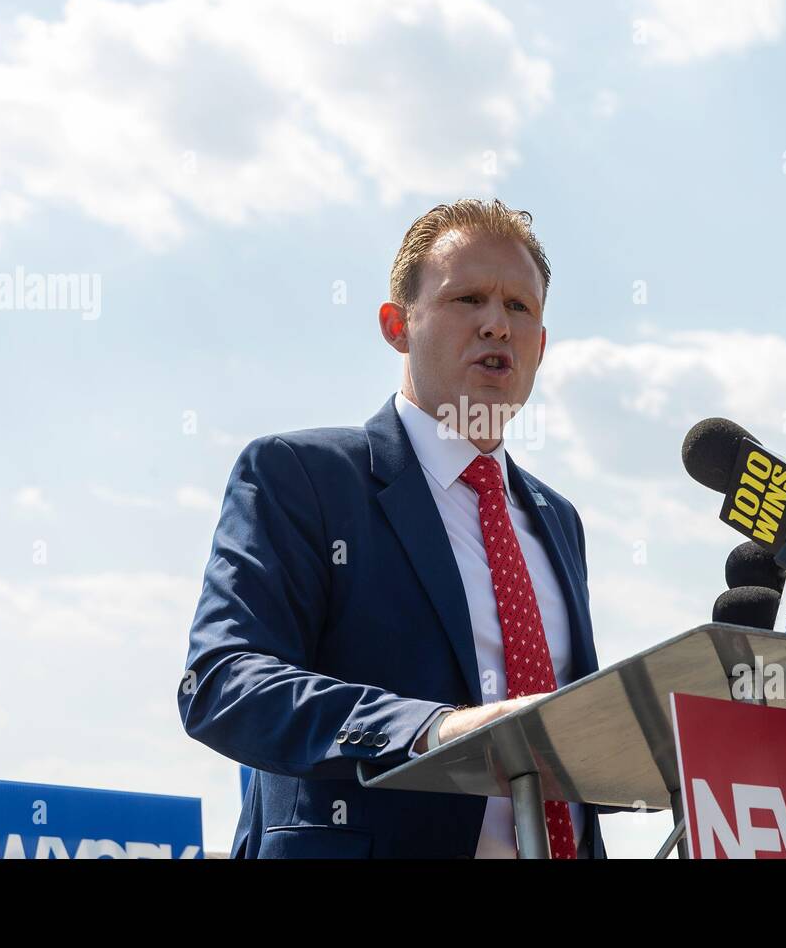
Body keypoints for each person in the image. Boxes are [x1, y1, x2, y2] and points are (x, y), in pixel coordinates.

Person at [178, 199, 603, 858]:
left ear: (541, 345)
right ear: (397, 325)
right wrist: (433, 731)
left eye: (520, 308)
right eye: (468, 299)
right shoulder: (302, 478)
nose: (497, 324)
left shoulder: (557, 521)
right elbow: (224, 682)